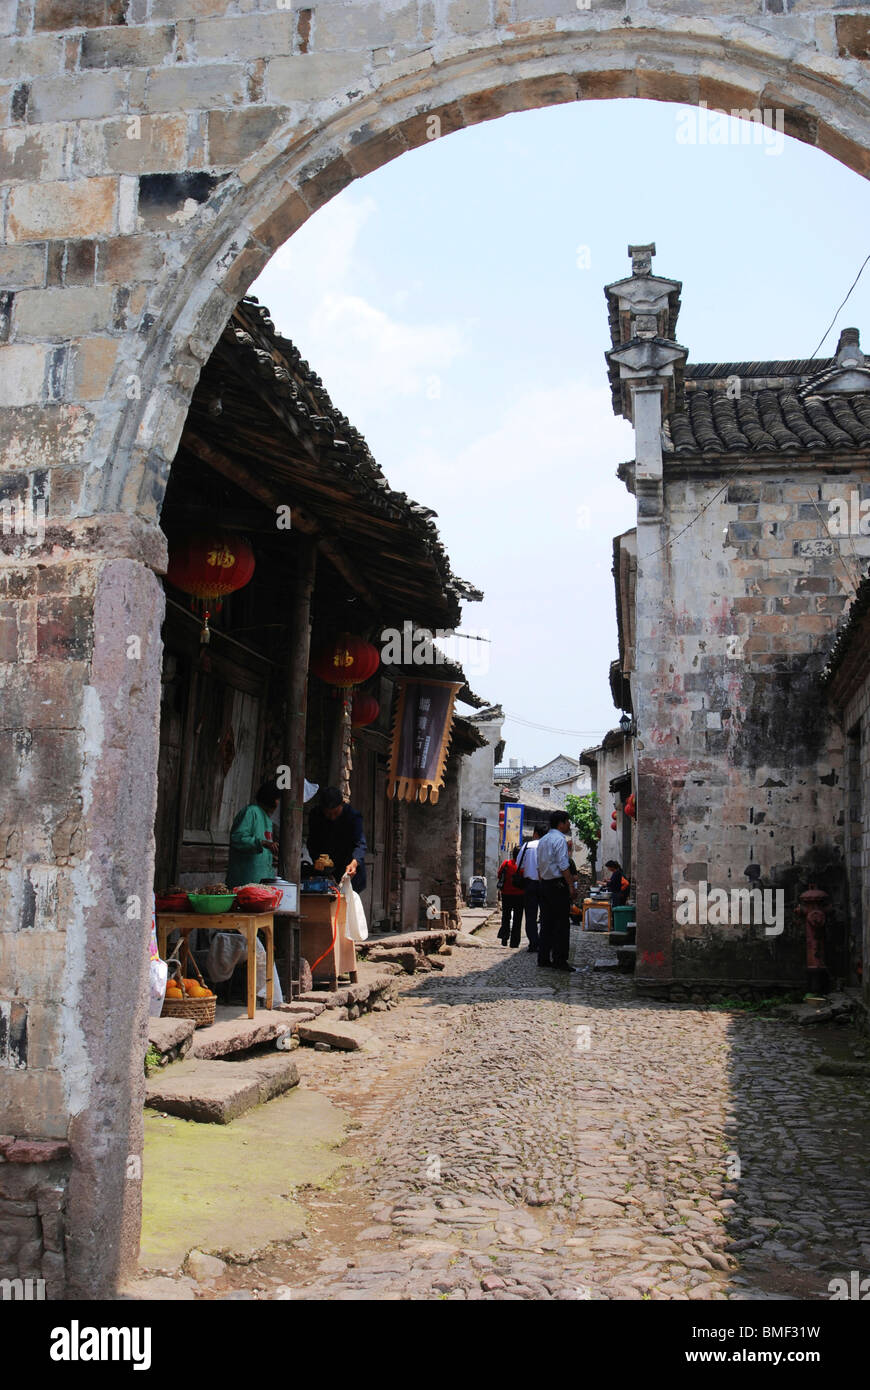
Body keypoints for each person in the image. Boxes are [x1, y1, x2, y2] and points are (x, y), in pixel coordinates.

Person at [537, 809, 579, 972]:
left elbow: (540, 866)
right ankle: (560, 959)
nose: (569, 825)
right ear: (561, 823)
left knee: (546, 923)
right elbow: (563, 866)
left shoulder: (543, 840)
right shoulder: (559, 840)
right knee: (561, 923)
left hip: (546, 884)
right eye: (568, 822)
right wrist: (570, 887)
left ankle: (544, 957)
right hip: (558, 885)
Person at [307, 786, 368, 891]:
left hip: (349, 869)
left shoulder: (353, 817)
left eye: (335, 813)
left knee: (348, 902)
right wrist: (321, 865)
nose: (332, 817)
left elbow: (360, 844)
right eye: (328, 814)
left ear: (342, 804)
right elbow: (312, 843)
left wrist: (354, 863)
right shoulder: (316, 816)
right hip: (326, 871)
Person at [226, 780, 280, 889]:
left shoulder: (268, 819)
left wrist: (271, 855)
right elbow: (237, 838)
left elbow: (262, 848)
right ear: (272, 799)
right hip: (245, 879)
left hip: (262, 880)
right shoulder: (251, 812)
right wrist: (263, 843)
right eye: (278, 799)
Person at [516, 825, 542, 953]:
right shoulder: (547, 846)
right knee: (546, 914)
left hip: (529, 884)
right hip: (545, 884)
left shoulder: (527, 846)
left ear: (535, 833)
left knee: (530, 915)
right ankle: (544, 942)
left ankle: (533, 943)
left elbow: (518, 865)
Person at [496, 850, 525, 947]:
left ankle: (504, 937)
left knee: (506, 916)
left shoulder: (506, 863)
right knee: (517, 918)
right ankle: (514, 942)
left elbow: (499, 875)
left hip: (506, 894)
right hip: (519, 895)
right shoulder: (523, 866)